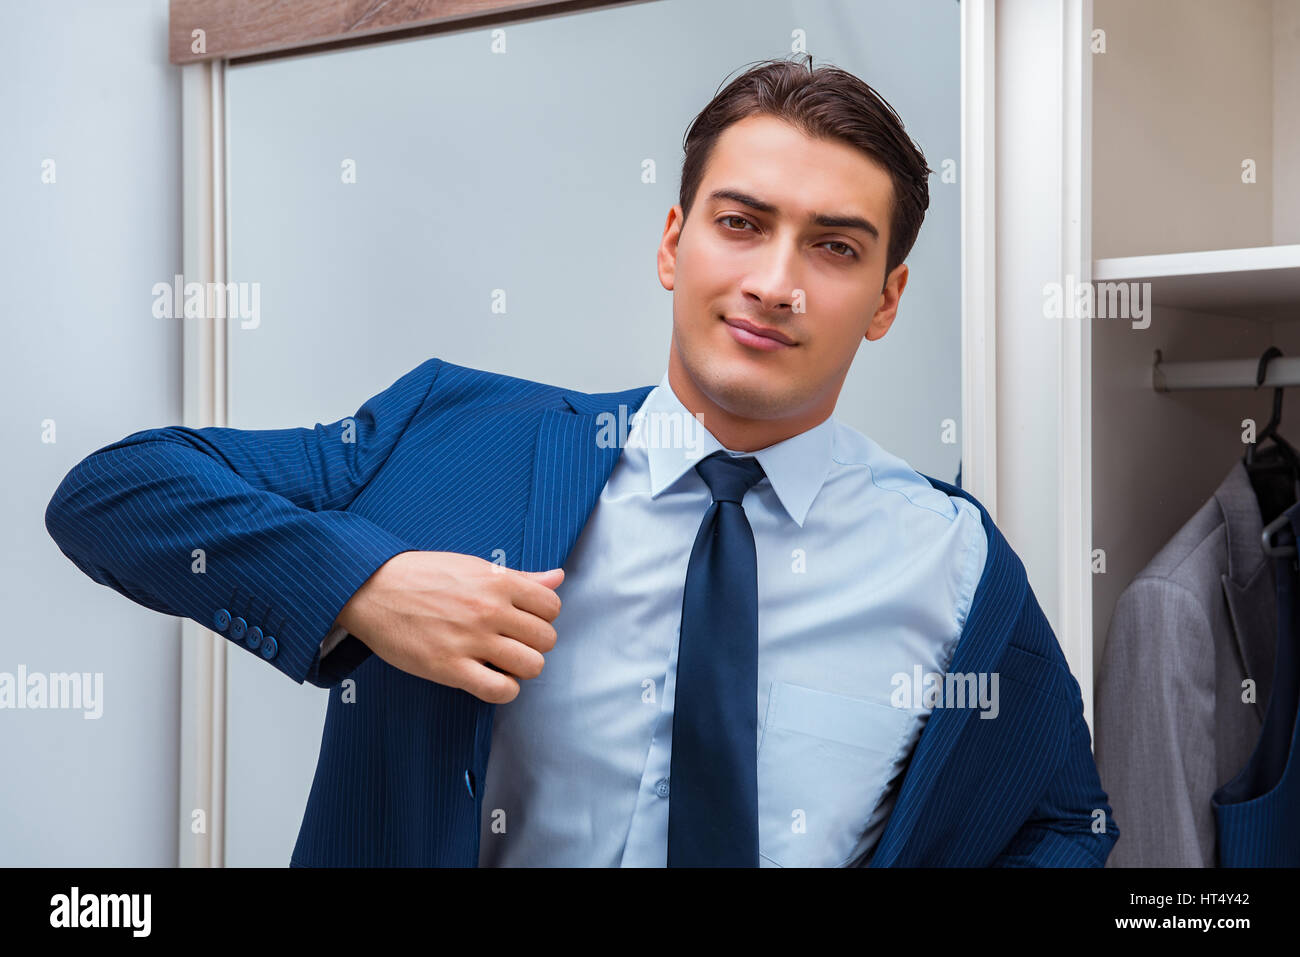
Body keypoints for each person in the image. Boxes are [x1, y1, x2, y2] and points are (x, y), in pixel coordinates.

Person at [45, 55, 1118, 867]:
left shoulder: (952, 556)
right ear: (672, 242)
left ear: (886, 298)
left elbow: (1063, 822)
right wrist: (362, 586)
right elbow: (114, 489)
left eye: (834, 248)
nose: (774, 281)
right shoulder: (457, 436)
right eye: (740, 223)